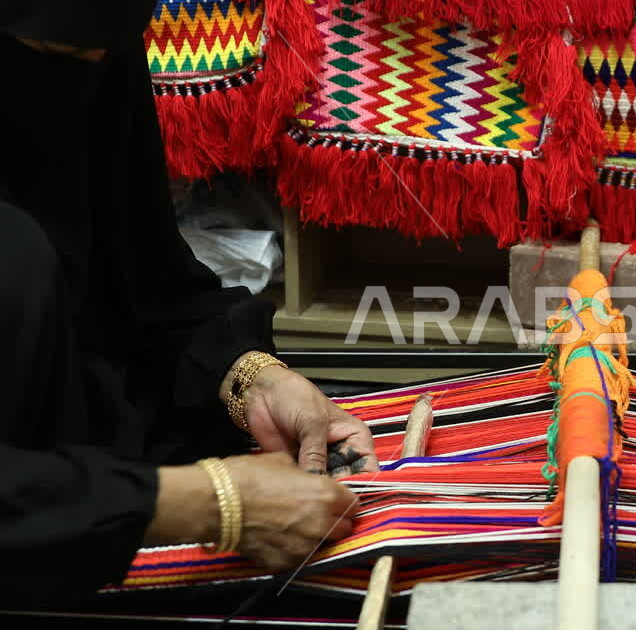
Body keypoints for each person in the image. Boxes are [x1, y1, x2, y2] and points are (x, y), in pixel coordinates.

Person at [0, 2, 379, 603]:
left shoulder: (101, 70)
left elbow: (146, 284)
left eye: (107, 53)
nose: (89, 68)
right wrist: (202, 501)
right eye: (53, 55)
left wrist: (248, 376)